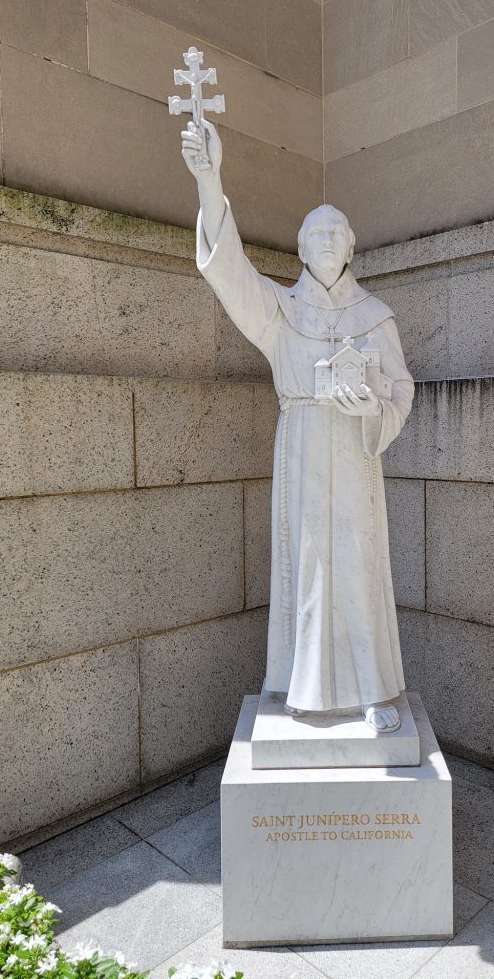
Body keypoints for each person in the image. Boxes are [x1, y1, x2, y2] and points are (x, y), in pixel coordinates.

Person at [181, 118, 414, 733]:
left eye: (338, 231)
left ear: (352, 246)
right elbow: (228, 271)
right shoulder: (279, 311)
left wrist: (375, 410)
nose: (329, 239)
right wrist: (209, 180)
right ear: (301, 249)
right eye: (317, 233)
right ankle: (302, 688)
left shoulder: (375, 316)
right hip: (305, 449)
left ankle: (372, 691)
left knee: (359, 568)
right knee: (308, 567)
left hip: (357, 455)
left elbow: (401, 390)